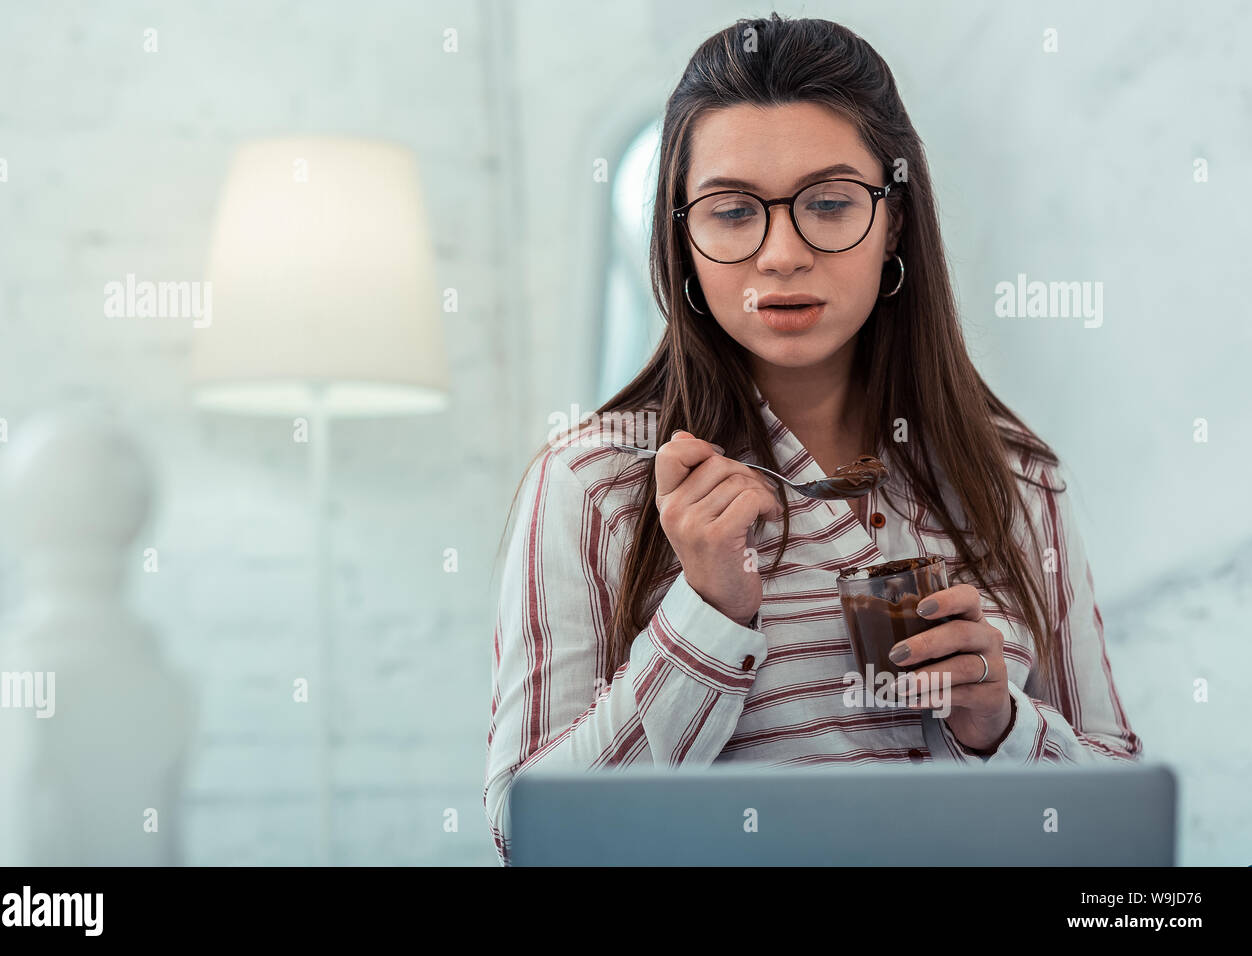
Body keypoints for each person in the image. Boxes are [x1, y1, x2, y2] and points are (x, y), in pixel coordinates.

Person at [483, 13, 1141, 867]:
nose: (782, 254)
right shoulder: (593, 482)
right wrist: (709, 612)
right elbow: (528, 838)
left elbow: (1122, 840)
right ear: (682, 237)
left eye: (829, 204)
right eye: (732, 212)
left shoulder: (1016, 480)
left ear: (895, 220)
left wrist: (1000, 727)